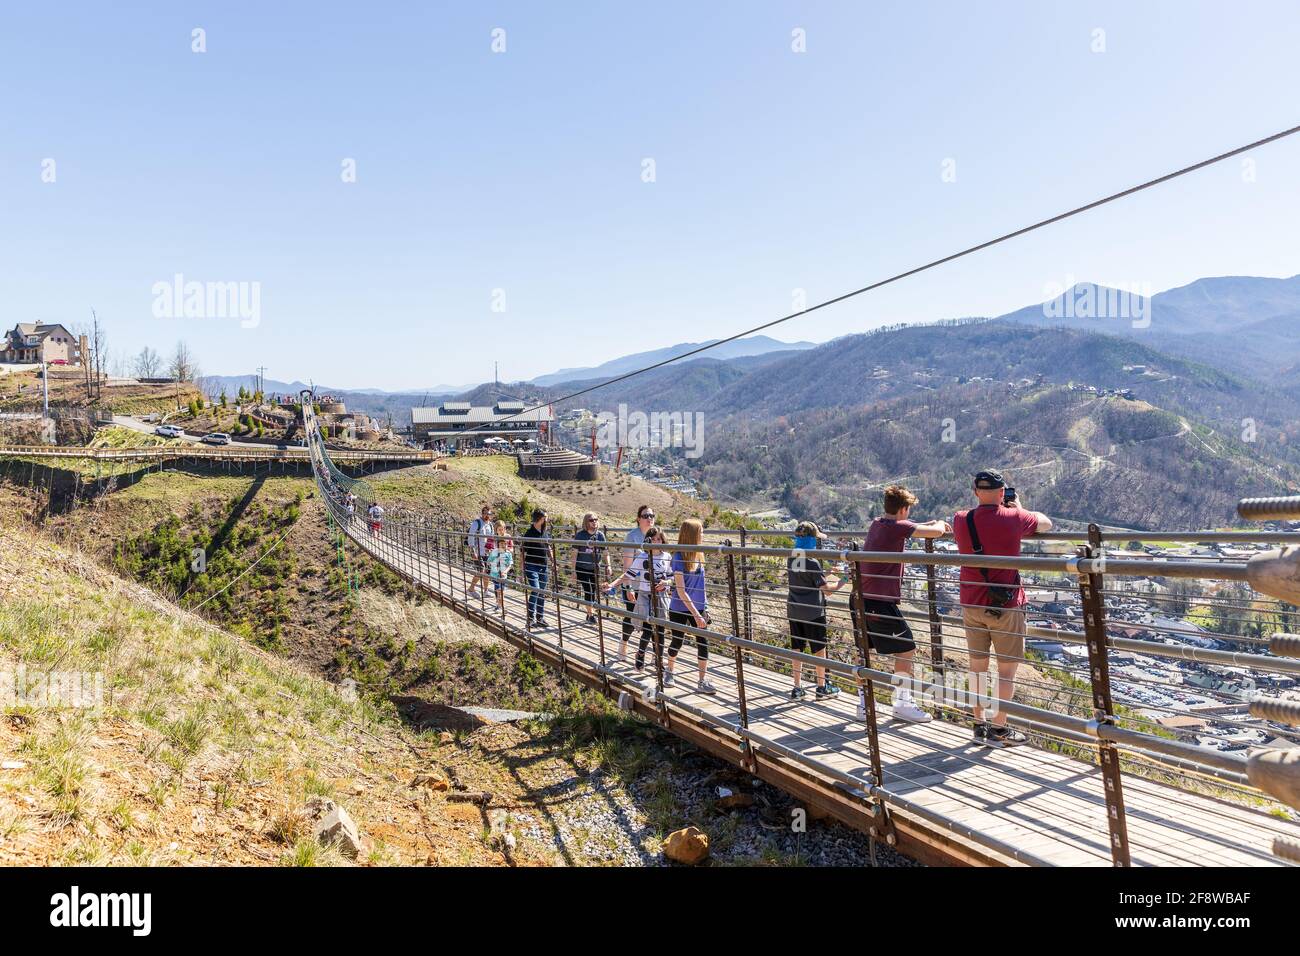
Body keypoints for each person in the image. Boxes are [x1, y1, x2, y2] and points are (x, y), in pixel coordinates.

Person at [952, 470, 1053, 748]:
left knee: (977, 668)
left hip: (972, 602)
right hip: (1006, 605)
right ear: (1002, 492)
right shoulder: (1014, 518)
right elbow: (1046, 523)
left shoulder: (961, 519)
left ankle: (978, 724)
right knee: (1006, 672)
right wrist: (1018, 507)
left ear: (975, 492)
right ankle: (999, 730)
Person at [857, 485, 951, 723]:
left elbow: (908, 527)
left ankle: (863, 705)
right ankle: (902, 703)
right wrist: (938, 524)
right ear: (904, 509)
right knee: (907, 648)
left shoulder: (878, 523)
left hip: (860, 596)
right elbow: (937, 533)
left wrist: (924, 525)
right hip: (879, 601)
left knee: (863, 651)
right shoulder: (899, 527)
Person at [787, 521, 847, 700]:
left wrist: (825, 572)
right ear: (812, 539)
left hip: (795, 610)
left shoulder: (792, 557)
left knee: (797, 648)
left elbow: (804, 577)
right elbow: (826, 590)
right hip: (813, 612)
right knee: (819, 649)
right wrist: (843, 580)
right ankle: (822, 687)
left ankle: (797, 688)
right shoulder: (813, 562)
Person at [605, 526, 673, 676]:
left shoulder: (667, 556)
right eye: (653, 539)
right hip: (645, 596)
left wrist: (666, 583)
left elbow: (672, 576)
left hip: (660, 597)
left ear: (663, 540)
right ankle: (640, 654)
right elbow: (628, 574)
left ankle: (658, 660)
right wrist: (612, 585)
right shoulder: (642, 557)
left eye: (659, 539)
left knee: (660, 630)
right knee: (648, 629)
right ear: (647, 540)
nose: (656, 542)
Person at [666, 518, 715, 694]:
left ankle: (702, 680)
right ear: (692, 534)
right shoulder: (678, 556)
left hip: (699, 607)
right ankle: (669, 671)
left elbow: (702, 585)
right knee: (677, 640)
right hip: (680, 608)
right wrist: (696, 614)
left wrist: (705, 608)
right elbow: (680, 590)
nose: (703, 534)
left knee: (703, 642)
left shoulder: (700, 554)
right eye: (701, 531)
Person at [615, 505, 655, 662]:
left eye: (651, 515)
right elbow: (627, 566)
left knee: (652, 621)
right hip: (636, 586)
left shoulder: (657, 535)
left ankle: (654, 654)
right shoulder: (632, 537)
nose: (649, 518)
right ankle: (623, 643)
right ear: (638, 519)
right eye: (646, 516)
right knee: (632, 618)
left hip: (653, 587)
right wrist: (628, 587)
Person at [572, 512, 610, 625]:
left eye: (596, 519)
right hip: (581, 567)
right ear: (586, 522)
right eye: (591, 520)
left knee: (593, 590)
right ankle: (591, 615)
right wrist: (573, 571)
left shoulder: (600, 536)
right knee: (588, 589)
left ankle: (589, 613)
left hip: (595, 568)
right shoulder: (580, 535)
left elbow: (605, 552)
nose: (594, 522)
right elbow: (574, 554)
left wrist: (608, 566)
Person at [521, 509, 552, 629]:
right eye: (545, 518)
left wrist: (552, 561)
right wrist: (522, 567)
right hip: (531, 565)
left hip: (543, 566)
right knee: (536, 589)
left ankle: (540, 617)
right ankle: (530, 618)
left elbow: (548, 547)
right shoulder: (529, 533)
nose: (547, 520)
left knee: (541, 592)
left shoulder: (544, 531)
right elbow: (523, 551)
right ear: (540, 518)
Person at [486, 519, 514, 617]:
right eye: (499, 529)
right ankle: (499, 605)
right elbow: (488, 548)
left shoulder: (508, 537)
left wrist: (505, 549)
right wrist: (492, 552)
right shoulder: (492, 537)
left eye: (503, 529)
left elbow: (512, 548)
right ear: (496, 529)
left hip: (504, 564)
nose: (501, 531)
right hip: (495, 565)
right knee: (498, 587)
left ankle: (500, 605)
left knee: (501, 588)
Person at [467, 505, 494, 598]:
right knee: (481, 570)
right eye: (486, 513)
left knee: (487, 572)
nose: (488, 515)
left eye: (489, 513)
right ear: (482, 513)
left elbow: (491, 538)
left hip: (487, 552)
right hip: (478, 552)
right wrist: (472, 551)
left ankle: (486, 591)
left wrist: (492, 550)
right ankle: (471, 589)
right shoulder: (477, 523)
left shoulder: (490, 525)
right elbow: (470, 537)